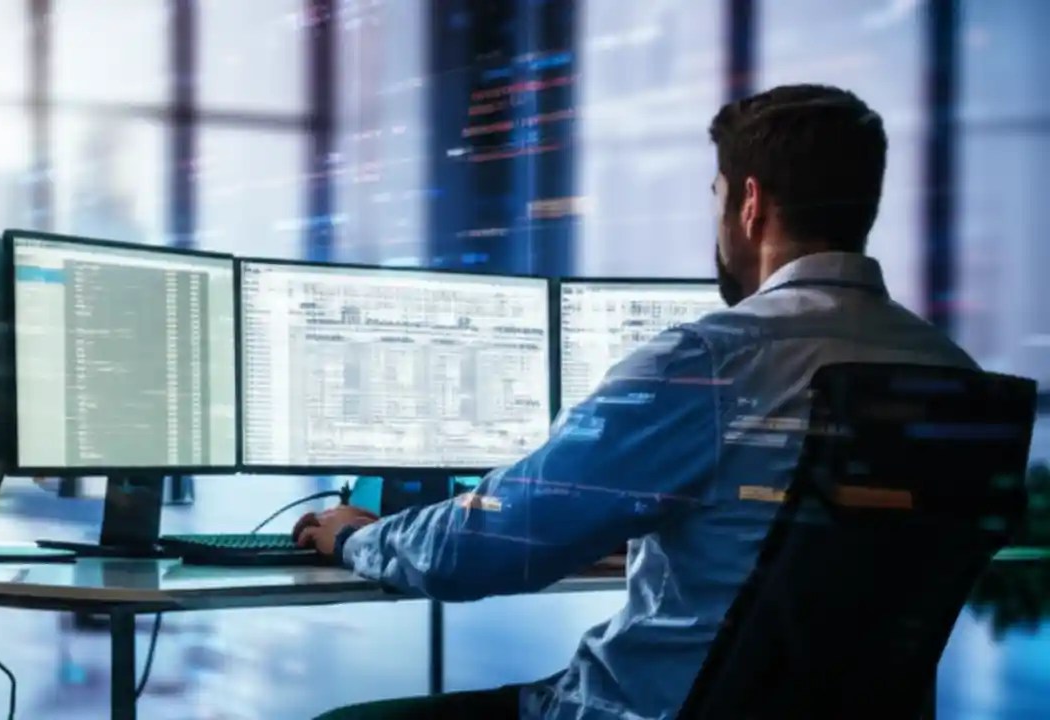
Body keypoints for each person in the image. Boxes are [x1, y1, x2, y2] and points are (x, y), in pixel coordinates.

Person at [293, 84, 978, 720]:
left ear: (749, 202)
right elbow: (811, 565)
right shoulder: (952, 374)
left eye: (715, 199)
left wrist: (358, 535)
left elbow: (487, 544)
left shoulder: (712, 358)